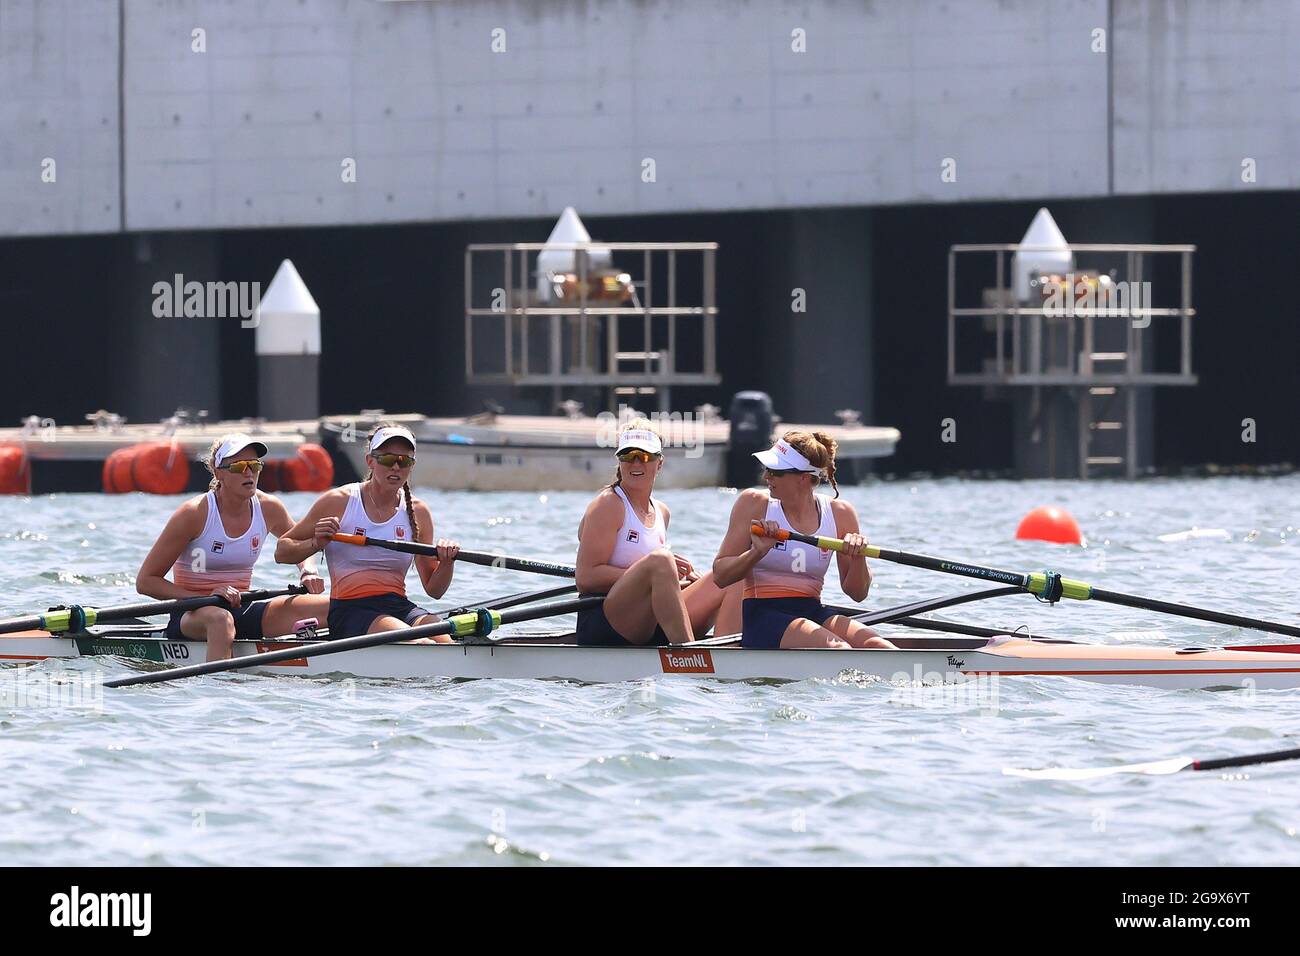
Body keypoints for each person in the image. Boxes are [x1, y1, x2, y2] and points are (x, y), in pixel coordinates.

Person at [136, 434, 330, 661]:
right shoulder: (194, 513)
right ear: (218, 473)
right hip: (193, 612)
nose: (249, 473)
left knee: (331, 607)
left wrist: (308, 571)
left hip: (241, 607)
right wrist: (203, 595)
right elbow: (146, 581)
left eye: (254, 465)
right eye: (238, 467)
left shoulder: (269, 508)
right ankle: (222, 691)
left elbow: (297, 543)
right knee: (221, 620)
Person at [276, 423, 460, 640]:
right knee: (421, 643)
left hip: (400, 607)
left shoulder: (418, 512)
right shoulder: (339, 501)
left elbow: (434, 591)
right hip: (350, 611)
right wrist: (315, 543)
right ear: (370, 461)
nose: (396, 467)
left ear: (412, 465)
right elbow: (282, 551)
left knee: (447, 641)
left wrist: (447, 563)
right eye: (388, 459)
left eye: (404, 461)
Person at [712, 431, 895, 650]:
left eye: (774, 471)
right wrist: (756, 552)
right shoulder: (754, 503)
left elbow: (857, 594)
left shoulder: (841, 513)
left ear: (803, 477)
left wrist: (858, 558)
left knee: (880, 647)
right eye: (767, 469)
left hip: (813, 611)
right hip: (764, 617)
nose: (766, 477)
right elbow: (720, 575)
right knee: (840, 650)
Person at [574, 419, 741, 646]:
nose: (635, 463)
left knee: (732, 575)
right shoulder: (608, 505)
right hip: (604, 621)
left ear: (659, 463)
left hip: (648, 619)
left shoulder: (662, 512)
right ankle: (691, 659)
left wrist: (671, 580)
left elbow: (653, 570)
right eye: (627, 455)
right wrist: (659, 573)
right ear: (619, 460)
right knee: (662, 561)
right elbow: (586, 578)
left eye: (644, 456)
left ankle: (728, 656)